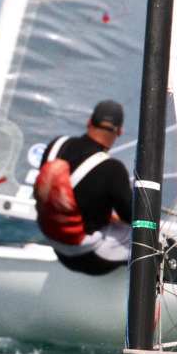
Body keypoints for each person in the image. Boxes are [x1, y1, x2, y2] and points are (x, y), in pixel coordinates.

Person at [33, 100, 133, 275]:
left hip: (55, 243)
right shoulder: (113, 169)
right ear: (119, 131)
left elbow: (73, 198)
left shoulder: (57, 144)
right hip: (86, 256)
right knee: (156, 237)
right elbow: (132, 216)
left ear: (89, 121)